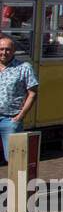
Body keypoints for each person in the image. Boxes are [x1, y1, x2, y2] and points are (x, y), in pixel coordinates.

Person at [0, 35, 38, 164]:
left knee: (13, 159)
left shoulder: (24, 67)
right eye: (1, 49)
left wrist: (21, 116)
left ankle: (17, 184)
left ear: (14, 50)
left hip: (10, 119)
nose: (4, 52)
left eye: (8, 49)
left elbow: (32, 93)